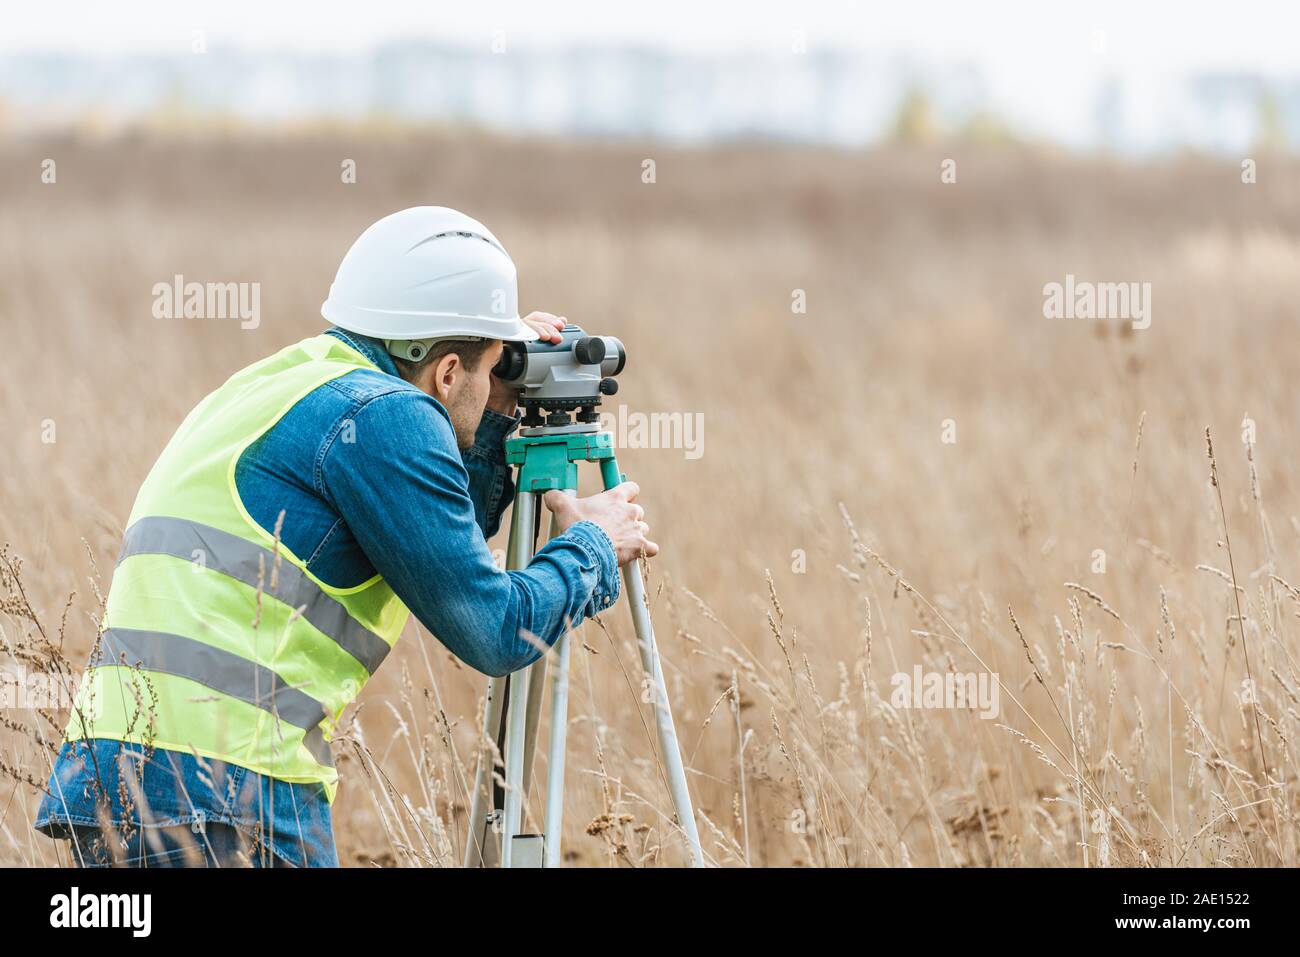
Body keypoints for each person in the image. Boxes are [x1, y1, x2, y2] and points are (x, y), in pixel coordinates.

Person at [33, 206, 656, 867]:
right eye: (491, 362)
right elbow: (496, 628)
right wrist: (590, 545)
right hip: (229, 788)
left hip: (114, 778)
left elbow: (435, 544)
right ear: (447, 372)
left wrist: (493, 408)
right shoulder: (389, 415)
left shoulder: (291, 380)